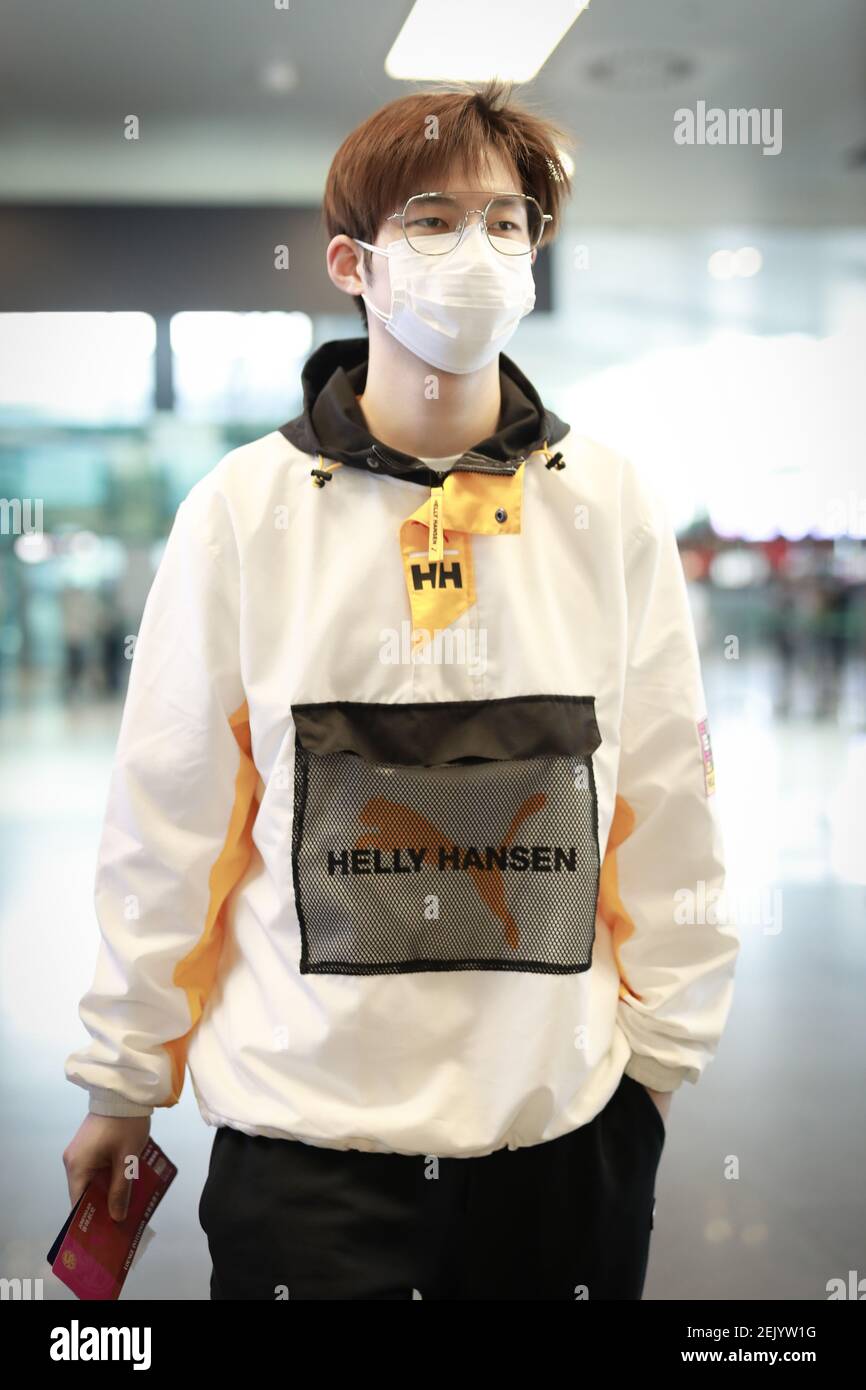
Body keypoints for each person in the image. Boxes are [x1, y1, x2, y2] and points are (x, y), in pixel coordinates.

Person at [62, 80, 740, 1301]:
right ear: (352, 263)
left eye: (508, 220)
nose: (476, 250)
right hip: (306, 1153)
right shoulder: (242, 512)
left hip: (562, 1138)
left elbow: (659, 794)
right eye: (431, 219)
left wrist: (656, 1067)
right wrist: (125, 1077)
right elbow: (168, 819)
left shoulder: (607, 503)